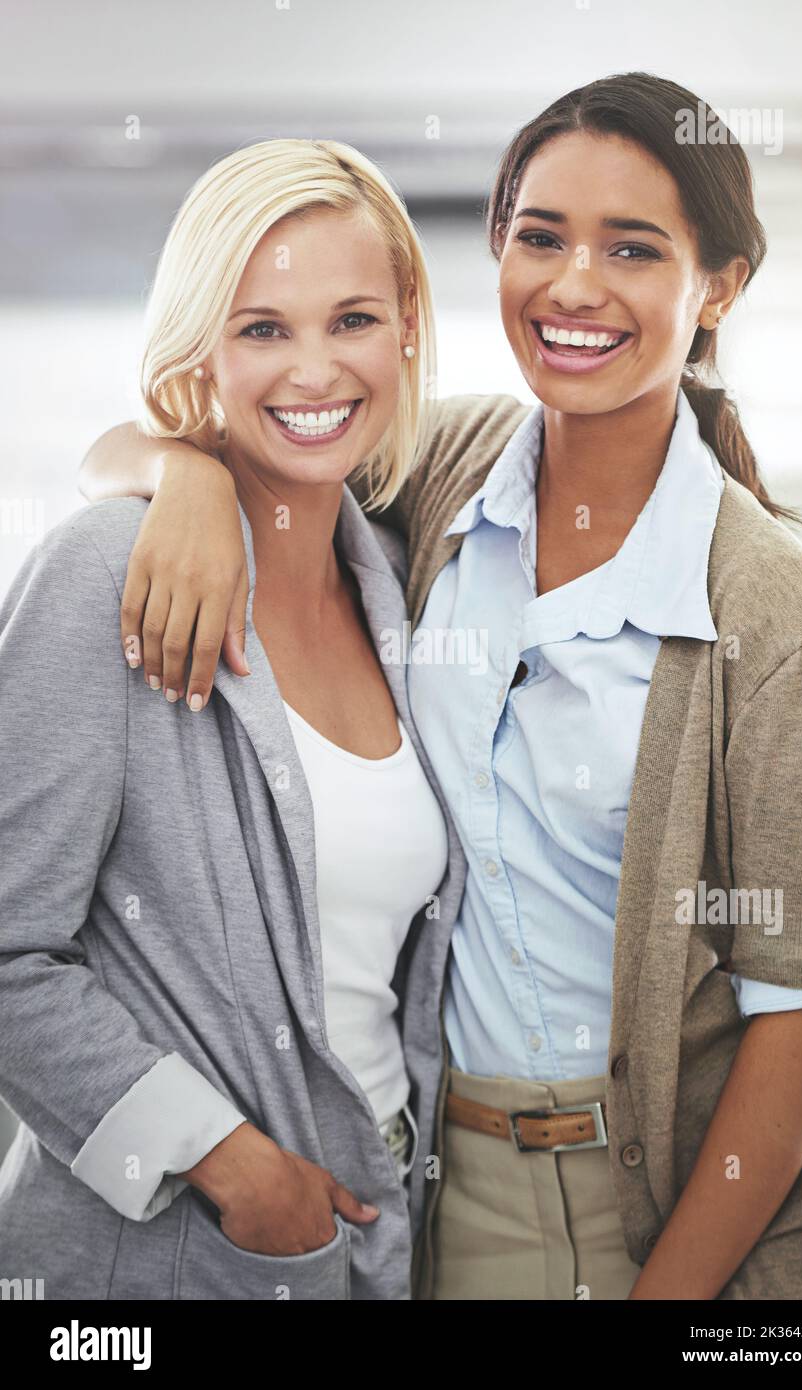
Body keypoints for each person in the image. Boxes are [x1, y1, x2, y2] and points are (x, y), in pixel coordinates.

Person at [78, 73, 802, 1301]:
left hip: (682, 1207)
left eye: (634, 249)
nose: (575, 286)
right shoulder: (448, 473)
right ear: (493, 248)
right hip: (453, 1191)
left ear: (718, 287)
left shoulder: (766, 605)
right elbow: (263, 420)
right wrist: (179, 480)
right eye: (541, 237)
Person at [0, 137, 467, 1301]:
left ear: (408, 322)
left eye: (351, 318)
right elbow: (8, 949)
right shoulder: (108, 570)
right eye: (263, 328)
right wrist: (234, 1166)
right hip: (170, 1261)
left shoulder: (405, 583)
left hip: (381, 1245)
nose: (314, 370)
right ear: (202, 347)